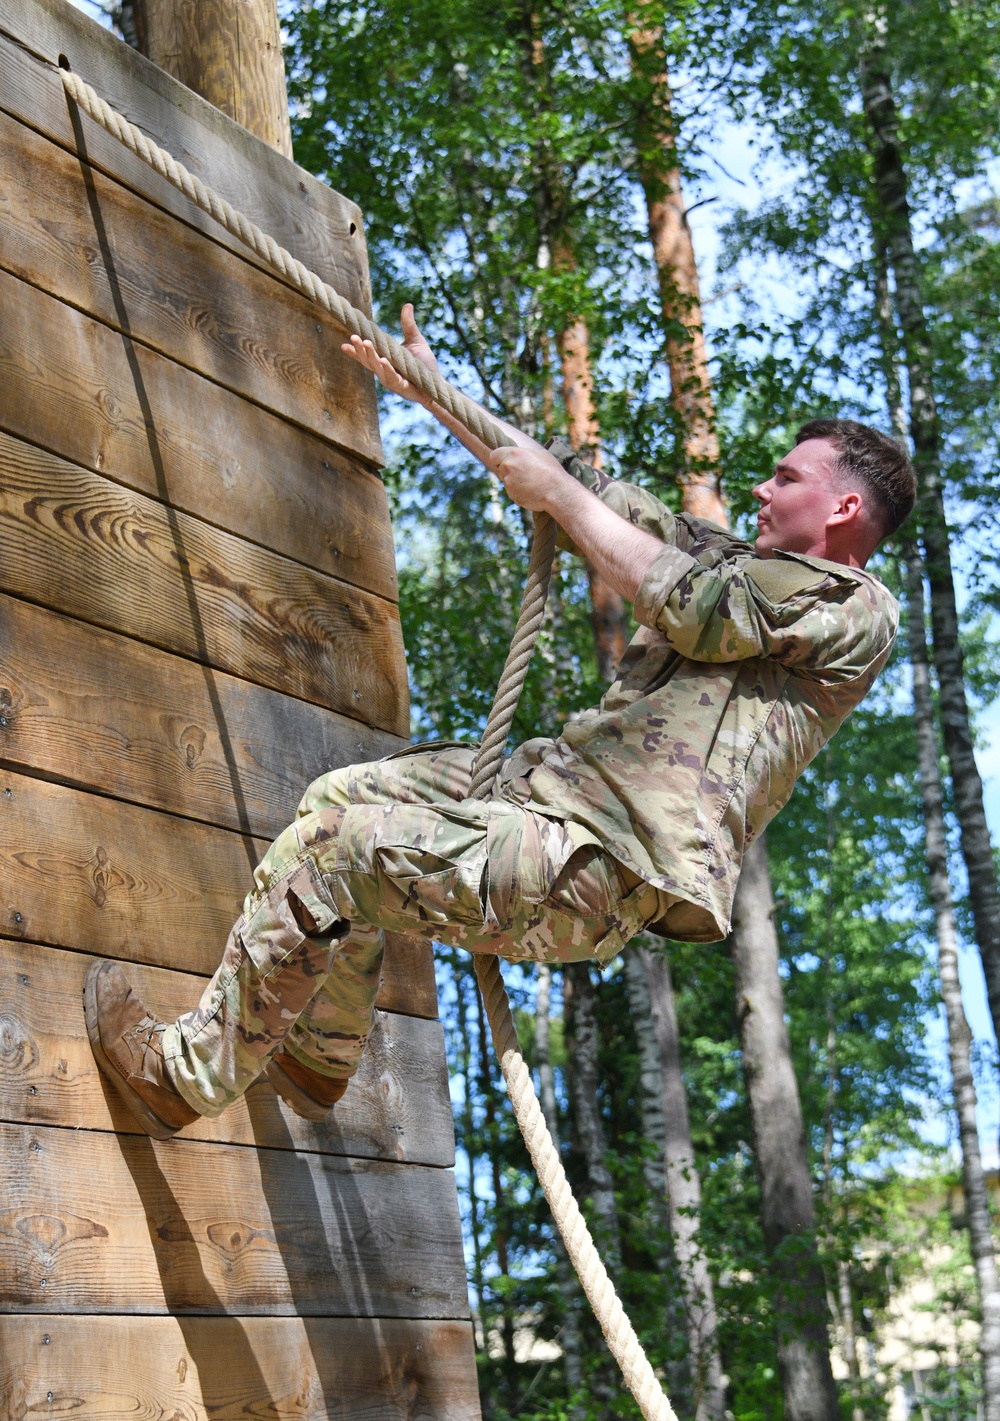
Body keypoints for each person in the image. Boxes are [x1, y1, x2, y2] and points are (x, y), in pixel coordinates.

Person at [84, 308, 916, 1139]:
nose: (763, 490)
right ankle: (323, 1047)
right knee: (339, 798)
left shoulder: (857, 610)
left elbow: (701, 611)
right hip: (541, 796)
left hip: (597, 859)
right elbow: (576, 490)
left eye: (786, 479)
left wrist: (559, 494)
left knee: (326, 853)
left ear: (844, 507)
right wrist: (438, 393)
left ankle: (180, 1078)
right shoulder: (730, 556)